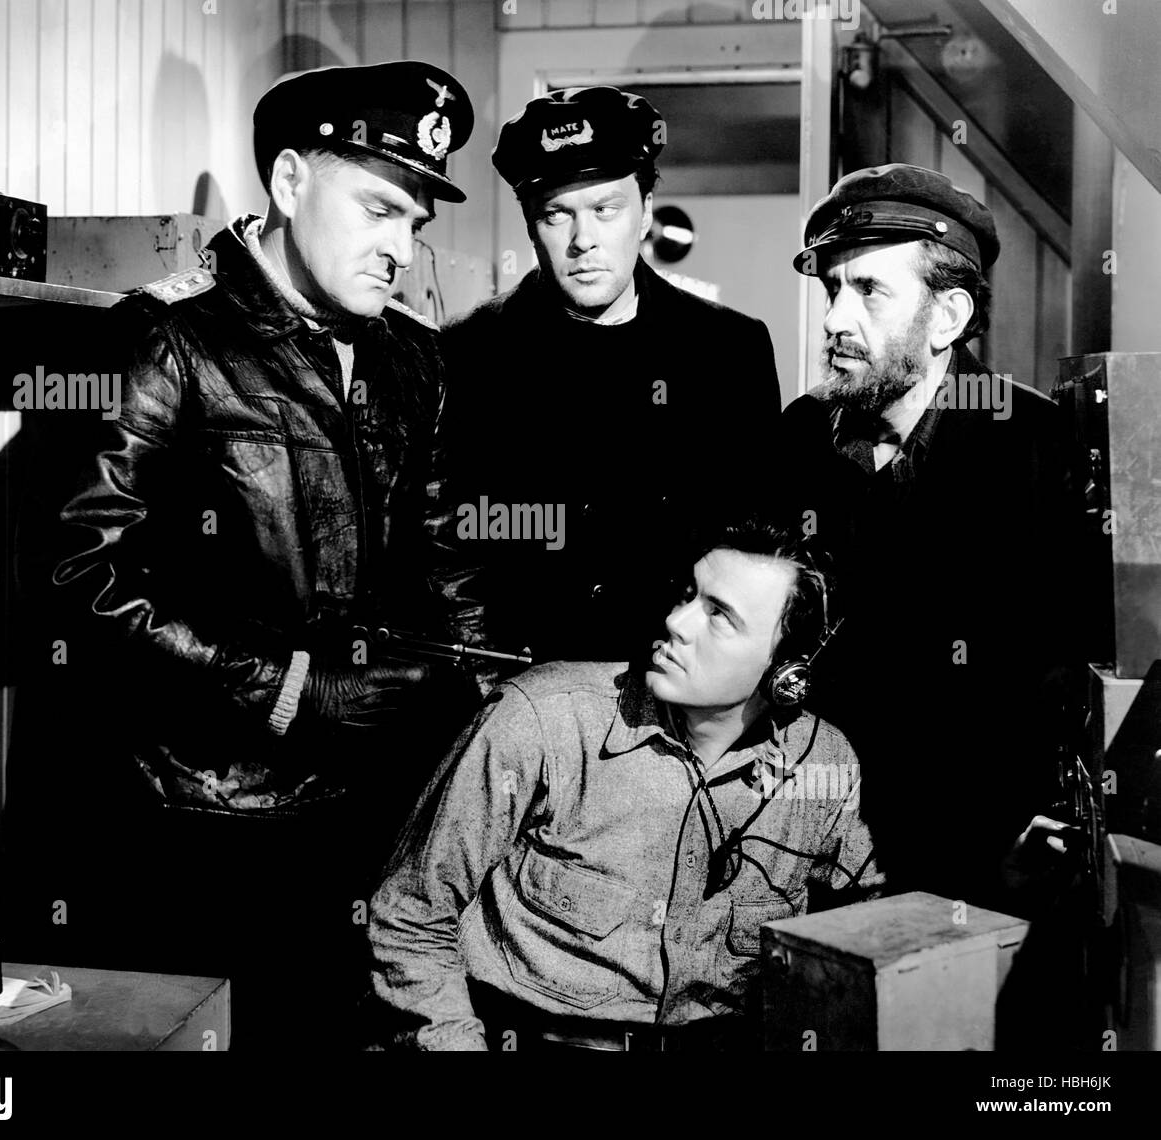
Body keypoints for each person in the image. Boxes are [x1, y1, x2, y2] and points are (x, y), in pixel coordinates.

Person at [4, 61, 481, 1049]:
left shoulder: (411, 358)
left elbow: (440, 562)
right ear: (293, 180)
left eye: (416, 224)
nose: (400, 247)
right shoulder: (164, 335)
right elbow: (78, 579)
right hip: (193, 826)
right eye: (381, 210)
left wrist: (486, 709)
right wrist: (279, 685)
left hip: (360, 817)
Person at [368, 518, 883, 1051]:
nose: (676, 621)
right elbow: (409, 918)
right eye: (688, 595)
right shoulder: (543, 721)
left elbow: (878, 926)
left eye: (720, 616)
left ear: (788, 671)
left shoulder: (823, 765)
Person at [776, 163, 1083, 912]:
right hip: (804, 848)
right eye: (832, 289)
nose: (834, 320)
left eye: (869, 290)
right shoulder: (800, 435)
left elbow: (1063, 673)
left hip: (973, 863)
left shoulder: (1038, 446)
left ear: (948, 317)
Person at [437, 86, 781, 675]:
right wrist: (484, 684)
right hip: (517, 689)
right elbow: (446, 548)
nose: (583, 240)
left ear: (646, 210)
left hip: (674, 690)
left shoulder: (729, 349)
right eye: (556, 214)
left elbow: (757, 547)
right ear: (530, 224)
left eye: (606, 209)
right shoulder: (468, 350)